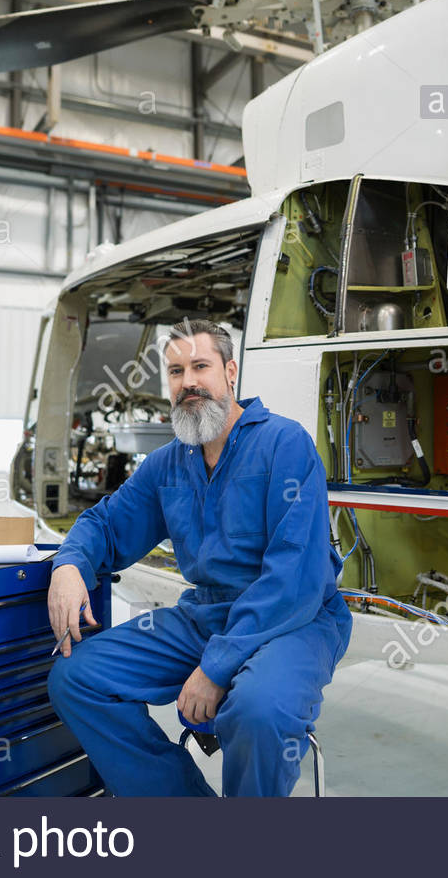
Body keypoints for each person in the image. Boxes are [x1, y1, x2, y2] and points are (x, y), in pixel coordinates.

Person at [46, 317, 352, 796]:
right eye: (174, 371)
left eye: (200, 366)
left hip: (297, 618)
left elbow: (295, 577)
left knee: (257, 708)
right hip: (206, 614)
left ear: (231, 373)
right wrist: (69, 565)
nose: (188, 381)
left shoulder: (284, 445)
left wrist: (215, 668)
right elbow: (105, 524)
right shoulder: (169, 462)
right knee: (77, 678)